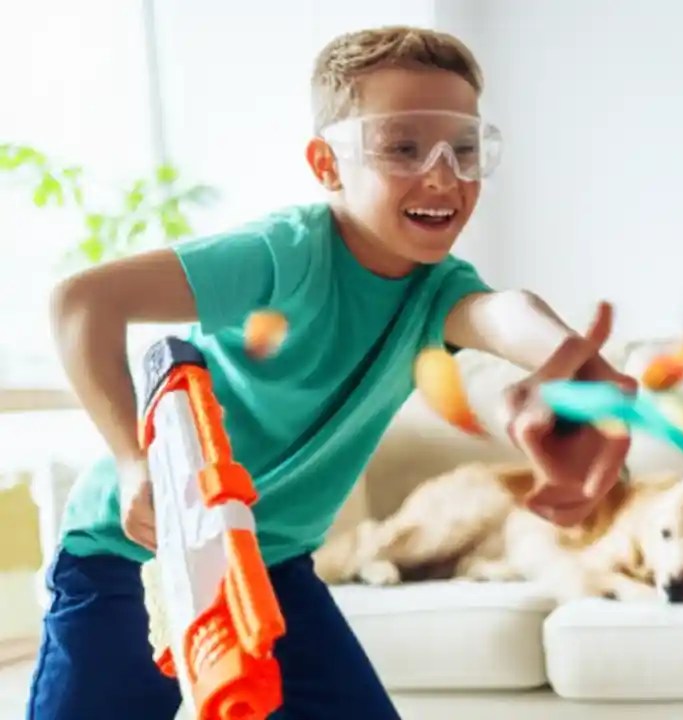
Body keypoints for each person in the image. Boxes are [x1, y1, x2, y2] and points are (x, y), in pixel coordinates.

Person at [28, 25, 635, 720]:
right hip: (133, 553)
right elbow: (82, 303)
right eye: (403, 147)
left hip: (270, 565)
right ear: (327, 164)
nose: (443, 175)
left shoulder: (440, 292)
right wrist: (131, 462)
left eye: (464, 149)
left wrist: (576, 360)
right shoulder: (282, 255)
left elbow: (502, 313)